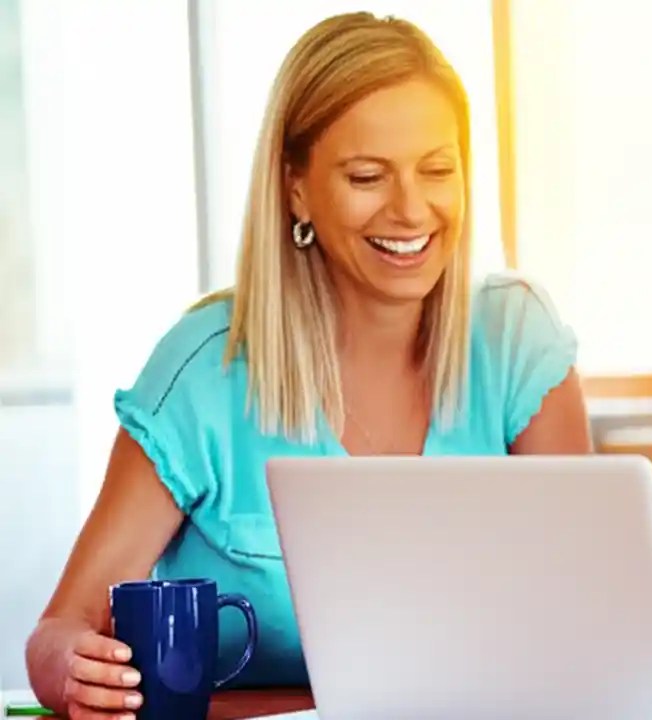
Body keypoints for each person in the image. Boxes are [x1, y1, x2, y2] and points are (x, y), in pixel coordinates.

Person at [25, 12, 591, 718]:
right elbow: (60, 631)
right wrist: (76, 670)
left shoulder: (515, 342)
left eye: (438, 170)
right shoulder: (207, 370)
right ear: (296, 189)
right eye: (366, 176)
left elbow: (592, 618)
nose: (411, 209)